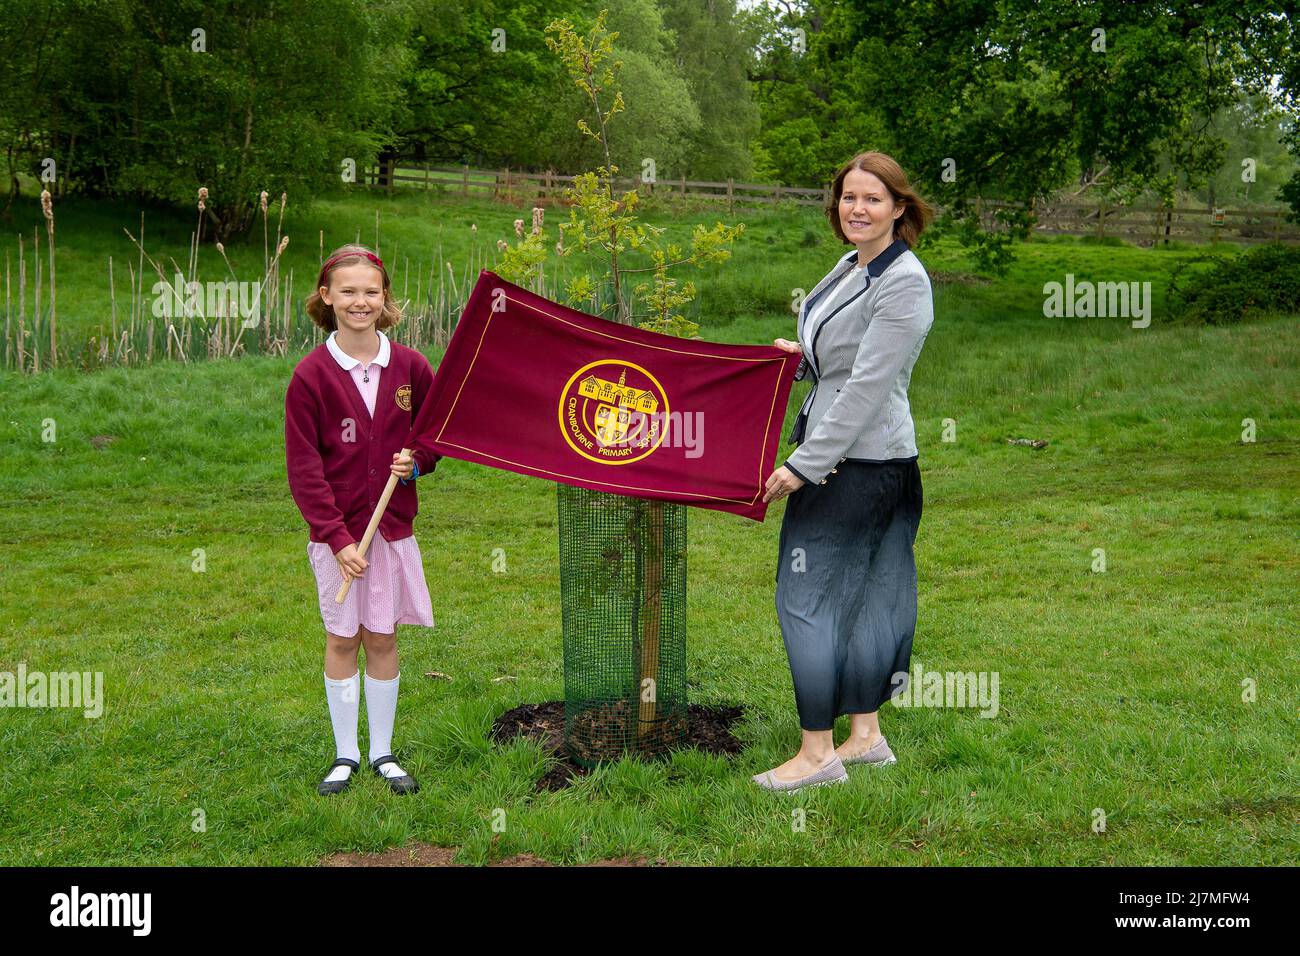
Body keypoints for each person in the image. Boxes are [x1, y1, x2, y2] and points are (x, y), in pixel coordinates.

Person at [754, 152, 935, 793]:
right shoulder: (852, 264)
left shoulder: (905, 280)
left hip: (858, 468)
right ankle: (866, 739)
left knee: (808, 602)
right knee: (860, 604)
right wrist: (802, 357)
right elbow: (842, 358)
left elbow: (865, 388)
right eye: (848, 197)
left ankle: (816, 755)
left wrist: (803, 466)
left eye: (873, 199)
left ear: (900, 208)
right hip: (860, 465)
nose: (857, 208)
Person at [285, 243, 441, 796]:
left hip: (391, 532)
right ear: (326, 297)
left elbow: (431, 441)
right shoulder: (311, 377)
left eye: (370, 291)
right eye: (348, 291)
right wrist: (335, 537)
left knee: (382, 636)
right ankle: (345, 754)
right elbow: (305, 471)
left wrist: (415, 463)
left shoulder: (411, 368)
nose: (360, 301)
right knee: (342, 638)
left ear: (385, 298)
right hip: (339, 541)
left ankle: (382, 751)